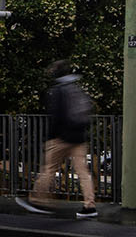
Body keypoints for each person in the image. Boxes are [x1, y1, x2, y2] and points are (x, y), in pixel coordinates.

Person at [18, 60, 97, 218]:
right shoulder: (76, 87)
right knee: (83, 173)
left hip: (61, 138)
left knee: (48, 170)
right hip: (79, 137)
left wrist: (51, 137)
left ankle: (37, 200)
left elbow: (56, 116)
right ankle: (90, 206)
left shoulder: (58, 90)